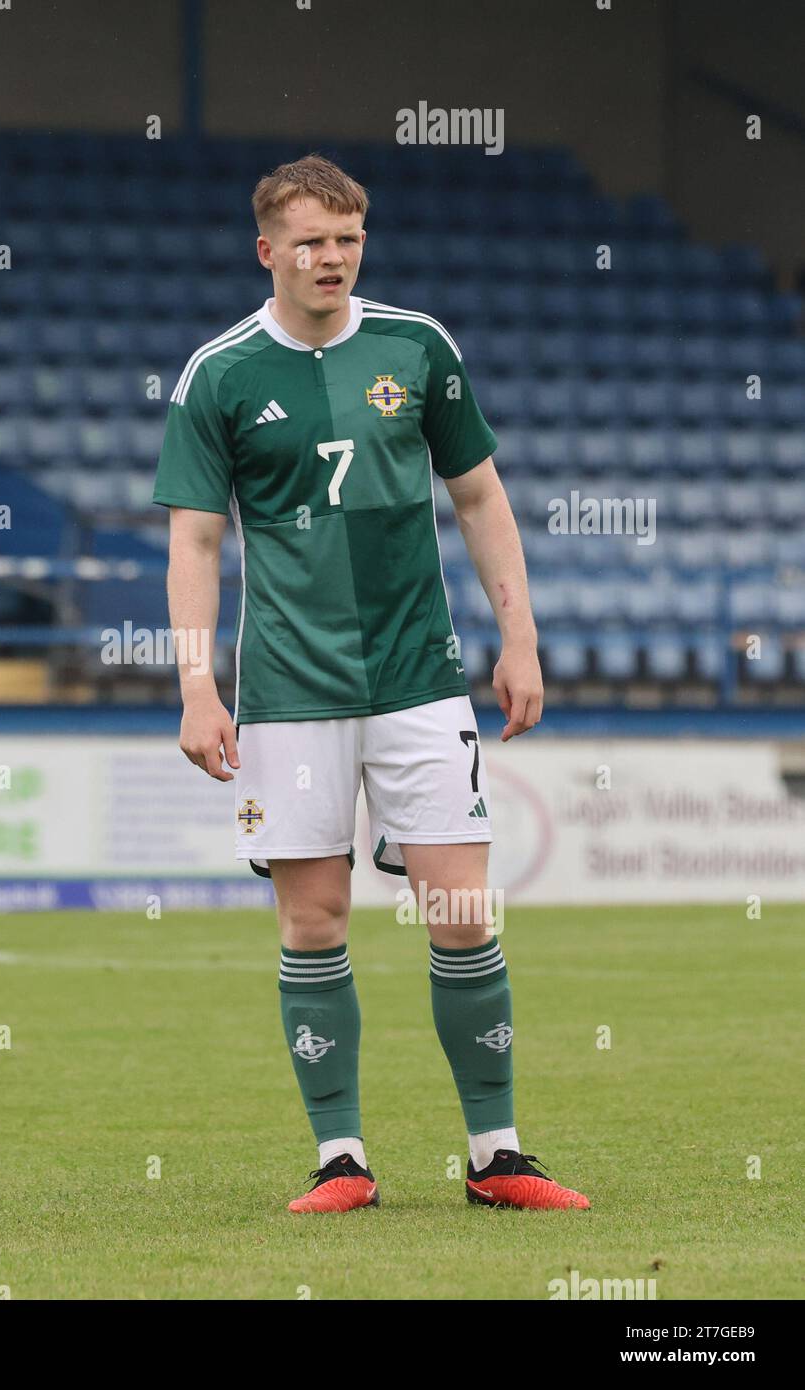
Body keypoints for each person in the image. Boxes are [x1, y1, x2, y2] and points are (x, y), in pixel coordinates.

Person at [153, 154, 589, 1214]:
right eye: (308, 241)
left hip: (417, 677)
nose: (330, 259)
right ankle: (340, 1158)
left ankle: (497, 1154)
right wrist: (195, 686)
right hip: (289, 692)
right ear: (267, 251)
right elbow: (195, 540)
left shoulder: (417, 347)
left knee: (459, 908)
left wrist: (518, 637)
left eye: (346, 240)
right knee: (313, 923)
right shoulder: (218, 373)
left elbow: (481, 498)